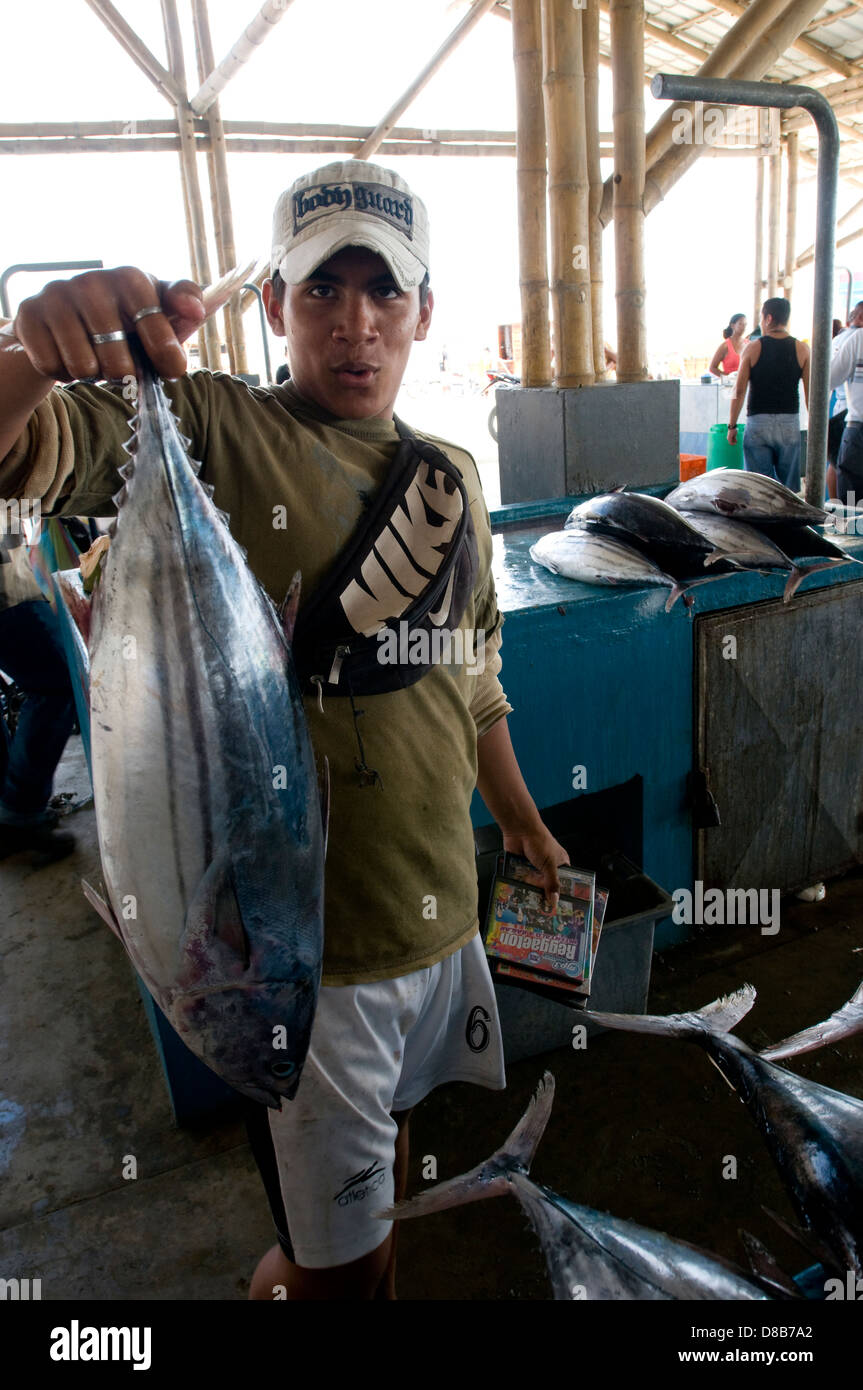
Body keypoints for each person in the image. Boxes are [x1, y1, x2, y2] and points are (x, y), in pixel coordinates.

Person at [0, 159, 568, 1300]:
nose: (354, 323)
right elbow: (30, 452)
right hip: (308, 973)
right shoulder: (214, 424)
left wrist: (518, 817)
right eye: (320, 290)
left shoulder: (450, 477)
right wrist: (27, 360)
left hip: (436, 912)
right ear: (271, 307)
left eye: (382, 291)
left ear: (422, 311)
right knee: (342, 1272)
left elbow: (470, 672)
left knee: (382, 1192)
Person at [0, 529, 77, 862]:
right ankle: (19, 814)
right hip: (5, 588)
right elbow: (20, 502)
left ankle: (8, 814)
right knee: (57, 681)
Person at [728, 298, 810, 492]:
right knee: (790, 492)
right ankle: (789, 522)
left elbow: (739, 391)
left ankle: (762, 523)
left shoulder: (752, 348)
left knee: (759, 490)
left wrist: (732, 425)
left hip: (758, 423)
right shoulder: (802, 349)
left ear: (768, 318)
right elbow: (811, 395)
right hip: (789, 423)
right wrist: (816, 431)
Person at [829, 301, 863, 505]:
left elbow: (830, 379)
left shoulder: (858, 339)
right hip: (856, 431)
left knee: (851, 504)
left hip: (858, 432)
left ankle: (851, 532)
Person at [709, 313, 748, 379]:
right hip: (730, 386)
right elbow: (712, 368)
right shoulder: (725, 346)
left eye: (745, 324)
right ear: (732, 325)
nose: (743, 327)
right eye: (740, 324)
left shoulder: (749, 344)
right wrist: (727, 377)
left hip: (746, 385)